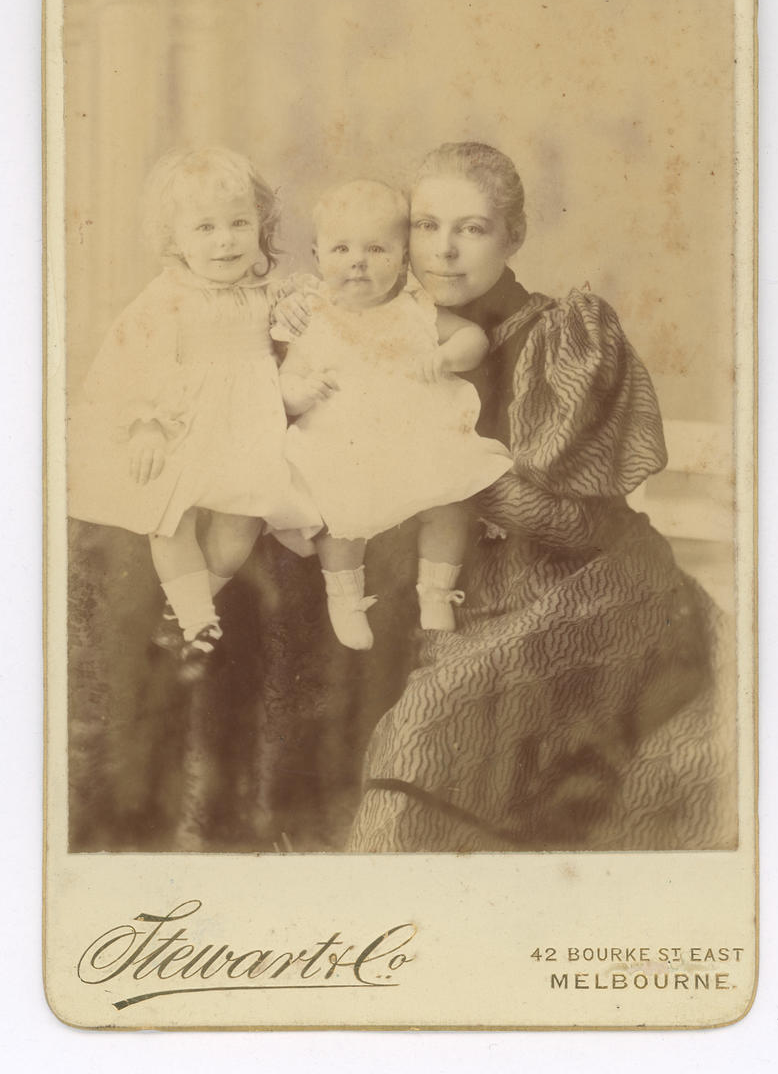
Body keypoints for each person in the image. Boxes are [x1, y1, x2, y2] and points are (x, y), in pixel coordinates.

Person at [327, 141, 735, 852]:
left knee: (433, 719)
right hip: (450, 589)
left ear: (512, 236)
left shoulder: (564, 336)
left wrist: (452, 469)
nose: (444, 252)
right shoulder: (370, 330)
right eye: (427, 226)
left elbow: (576, 527)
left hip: (583, 589)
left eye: (472, 229)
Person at [68, 146, 321, 681]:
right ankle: (200, 621)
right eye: (204, 228)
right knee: (167, 515)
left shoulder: (271, 290)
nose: (225, 239)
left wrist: (304, 308)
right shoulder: (167, 297)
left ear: (261, 226)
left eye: (238, 223)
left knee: (241, 522)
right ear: (176, 240)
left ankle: (185, 610)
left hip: (250, 424)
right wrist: (146, 425)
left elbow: (311, 325)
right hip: (183, 419)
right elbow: (131, 360)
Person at [276, 179, 513, 650]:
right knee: (336, 516)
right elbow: (284, 382)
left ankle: (437, 594)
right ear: (317, 255)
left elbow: (473, 338)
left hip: (413, 434)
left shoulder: (414, 309)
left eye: (377, 249)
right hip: (340, 439)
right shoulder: (310, 316)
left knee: (447, 502)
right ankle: (344, 599)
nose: (358, 261)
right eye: (341, 248)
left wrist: (446, 358)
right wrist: (301, 393)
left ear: (404, 258)